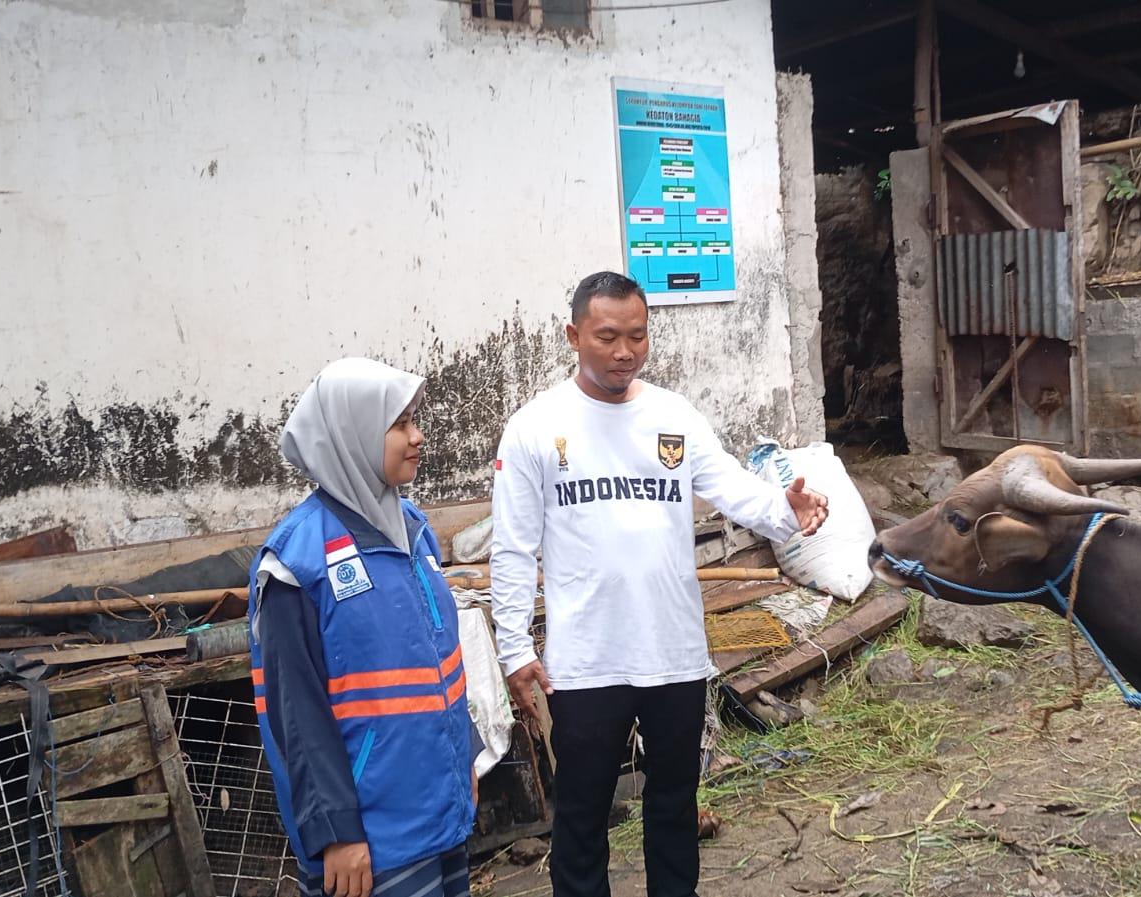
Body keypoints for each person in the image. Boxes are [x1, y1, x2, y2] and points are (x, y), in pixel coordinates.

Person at [490, 272, 829, 897]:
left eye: (638, 336)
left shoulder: (671, 414)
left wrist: (786, 507)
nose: (625, 352)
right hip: (588, 662)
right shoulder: (537, 427)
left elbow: (728, 483)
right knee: (584, 814)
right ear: (573, 336)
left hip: (673, 654)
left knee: (673, 804)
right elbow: (512, 547)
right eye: (608, 336)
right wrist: (514, 647)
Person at [248, 358, 480, 897]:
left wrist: (464, 751)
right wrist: (337, 833)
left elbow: (439, 661)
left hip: (438, 811)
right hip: (372, 842)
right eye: (399, 425)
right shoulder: (297, 565)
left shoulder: (413, 531)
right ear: (350, 434)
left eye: (415, 420)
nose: (418, 437)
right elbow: (297, 717)